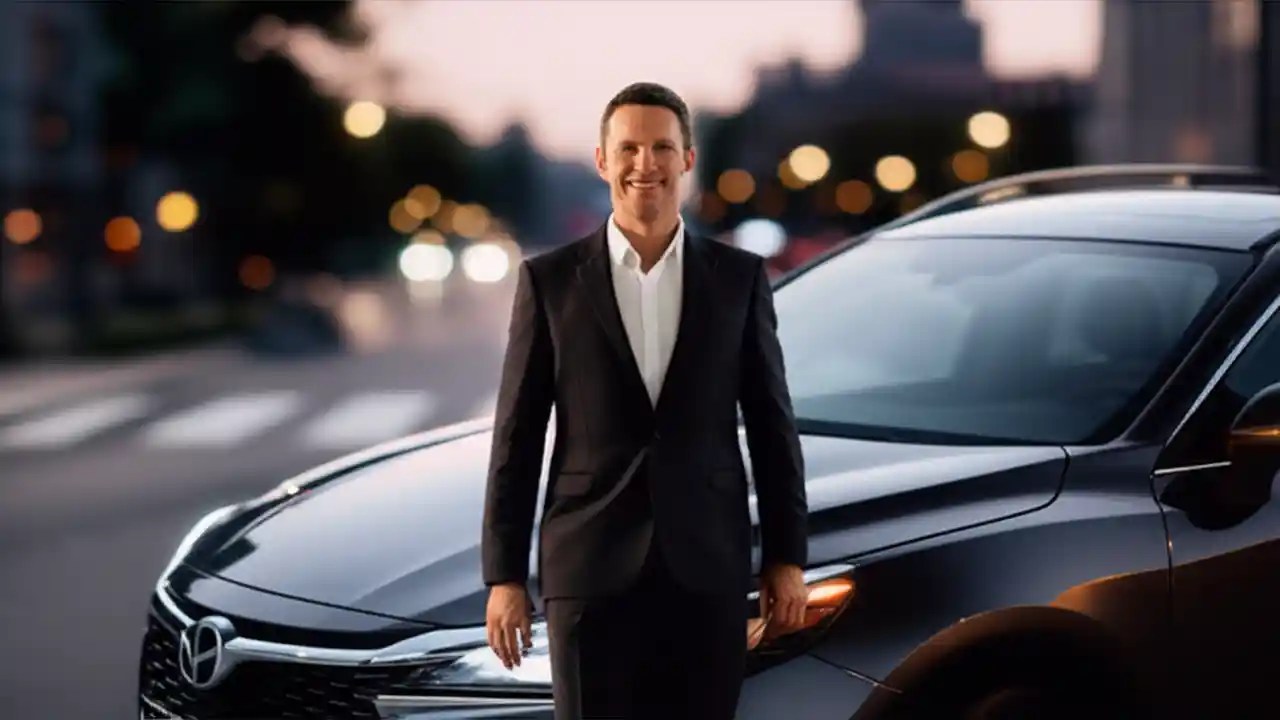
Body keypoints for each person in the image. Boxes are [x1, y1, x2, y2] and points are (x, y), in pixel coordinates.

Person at [481, 81, 809, 720]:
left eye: (662, 146)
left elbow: (773, 427)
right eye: (628, 148)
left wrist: (786, 558)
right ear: (602, 161)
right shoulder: (549, 283)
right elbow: (516, 436)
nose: (645, 164)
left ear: (688, 159)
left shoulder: (737, 280)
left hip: (708, 567)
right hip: (588, 572)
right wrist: (505, 576)